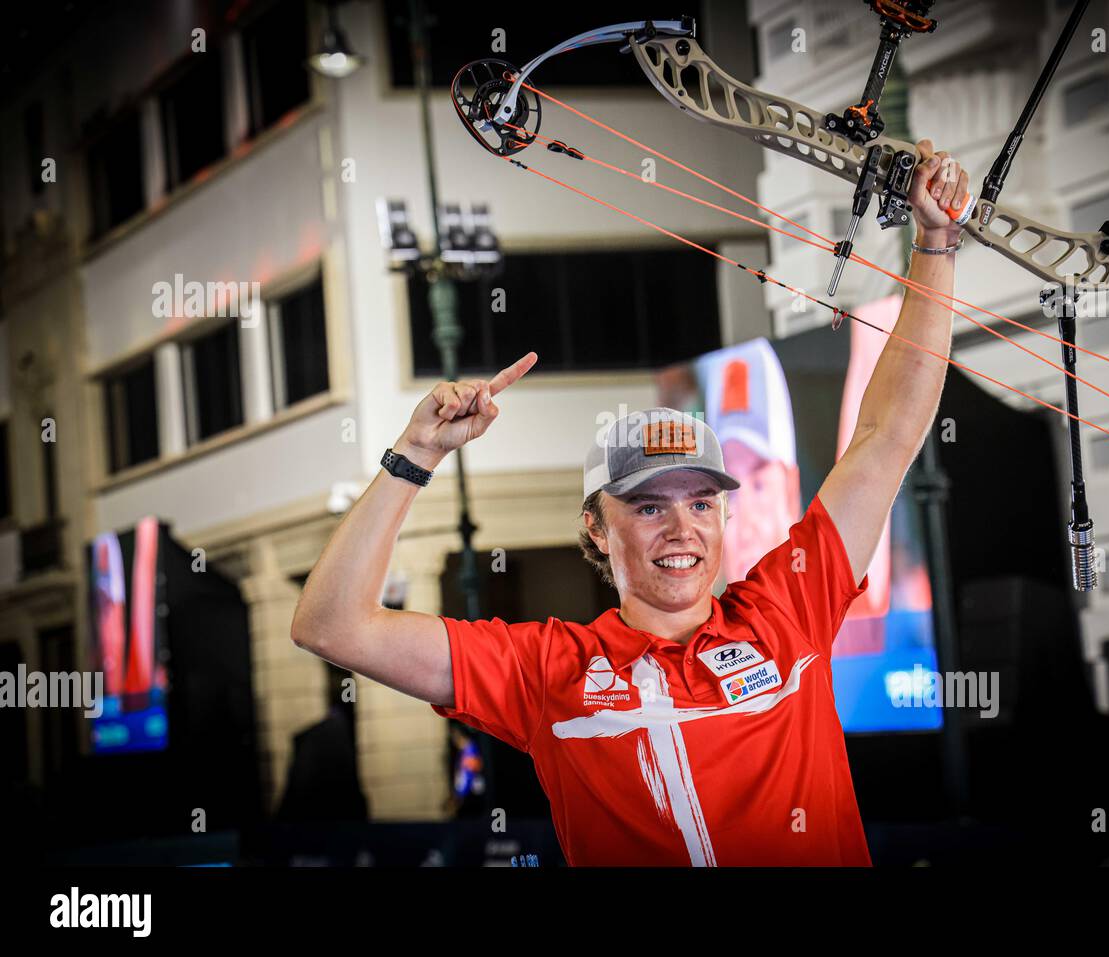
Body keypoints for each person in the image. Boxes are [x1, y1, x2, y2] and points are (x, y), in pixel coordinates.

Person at [291, 140, 970, 865]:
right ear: (595, 525)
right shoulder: (546, 669)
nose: (683, 527)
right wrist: (416, 455)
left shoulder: (788, 605)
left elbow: (887, 435)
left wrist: (934, 244)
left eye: (702, 502)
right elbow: (332, 625)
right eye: (649, 506)